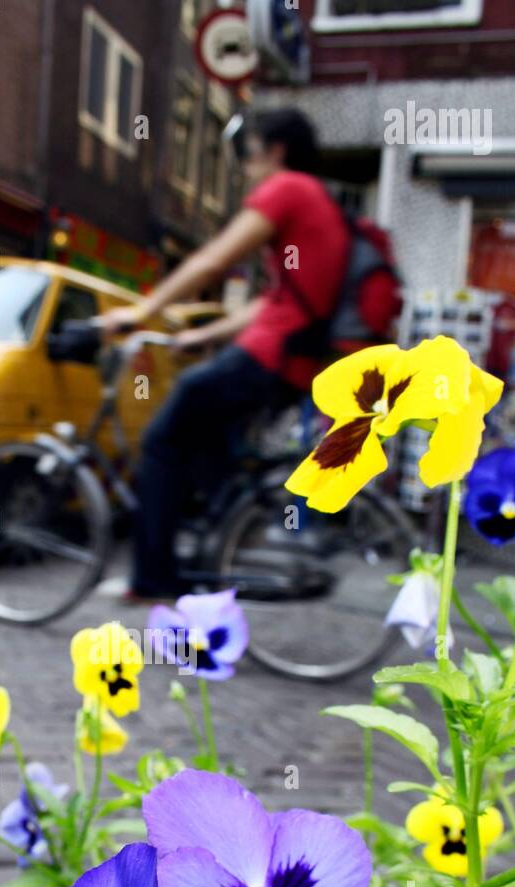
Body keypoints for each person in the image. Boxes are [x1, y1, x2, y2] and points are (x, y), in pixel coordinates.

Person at [101, 108, 350, 599]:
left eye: (247, 151)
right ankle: (224, 533)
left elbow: (215, 257)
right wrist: (203, 334)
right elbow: (275, 300)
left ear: (274, 149)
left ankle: (153, 578)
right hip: (292, 360)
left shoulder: (287, 189)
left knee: (161, 442)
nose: (243, 164)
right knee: (208, 436)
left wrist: (142, 310)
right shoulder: (319, 202)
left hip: (271, 356)